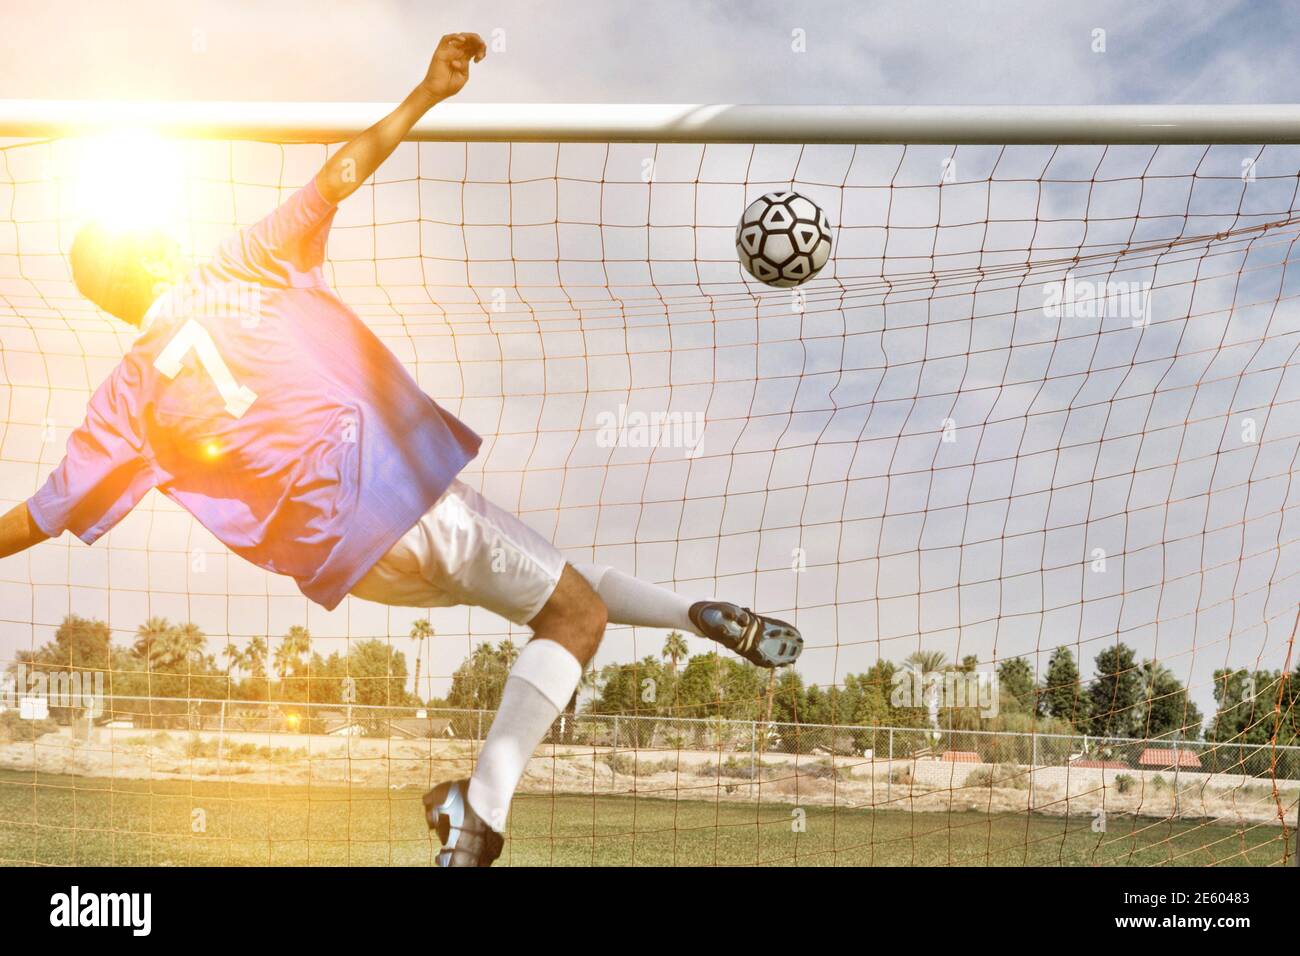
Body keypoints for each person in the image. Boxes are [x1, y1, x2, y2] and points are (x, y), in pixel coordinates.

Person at [0, 33, 802, 866]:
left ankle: (692, 615)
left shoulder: (124, 401)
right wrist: (426, 93)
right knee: (575, 616)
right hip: (406, 501)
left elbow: (37, 516)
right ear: (159, 251)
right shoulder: (237, 266)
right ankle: (478, 811)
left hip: (348, 563)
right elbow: (338, 176)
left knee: (550, 588)